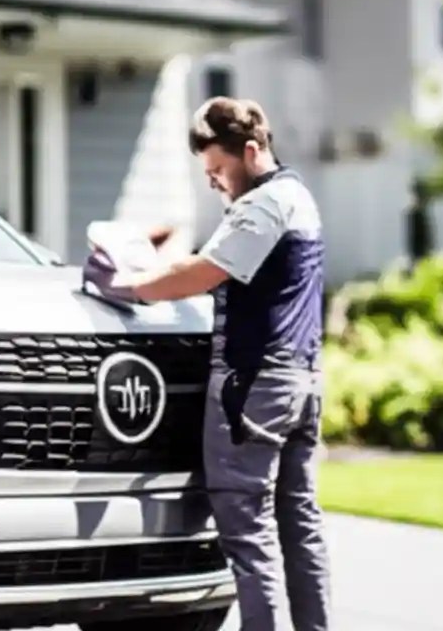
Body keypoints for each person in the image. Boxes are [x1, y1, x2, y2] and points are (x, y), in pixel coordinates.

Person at [95, 97, 330, 630]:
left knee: (249, 533)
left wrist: (127, 284)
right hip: (303, 382)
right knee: (300, 526)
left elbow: (200, 273)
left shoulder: (263, 205)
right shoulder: (300, 198)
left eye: (218, 170)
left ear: (250, 152)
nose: (214, 183)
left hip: (254, 390)